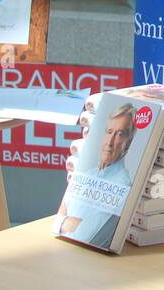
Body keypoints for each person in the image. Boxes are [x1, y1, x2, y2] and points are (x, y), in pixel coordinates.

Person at [57, 102, 136, 247]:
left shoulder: (121, 183)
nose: (110, 142)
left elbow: (85, 236)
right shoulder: (89, 173)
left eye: (119, 134)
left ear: (128, 142)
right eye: (109, 131)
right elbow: (58, 221)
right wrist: (71, 223)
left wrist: (66, 221)